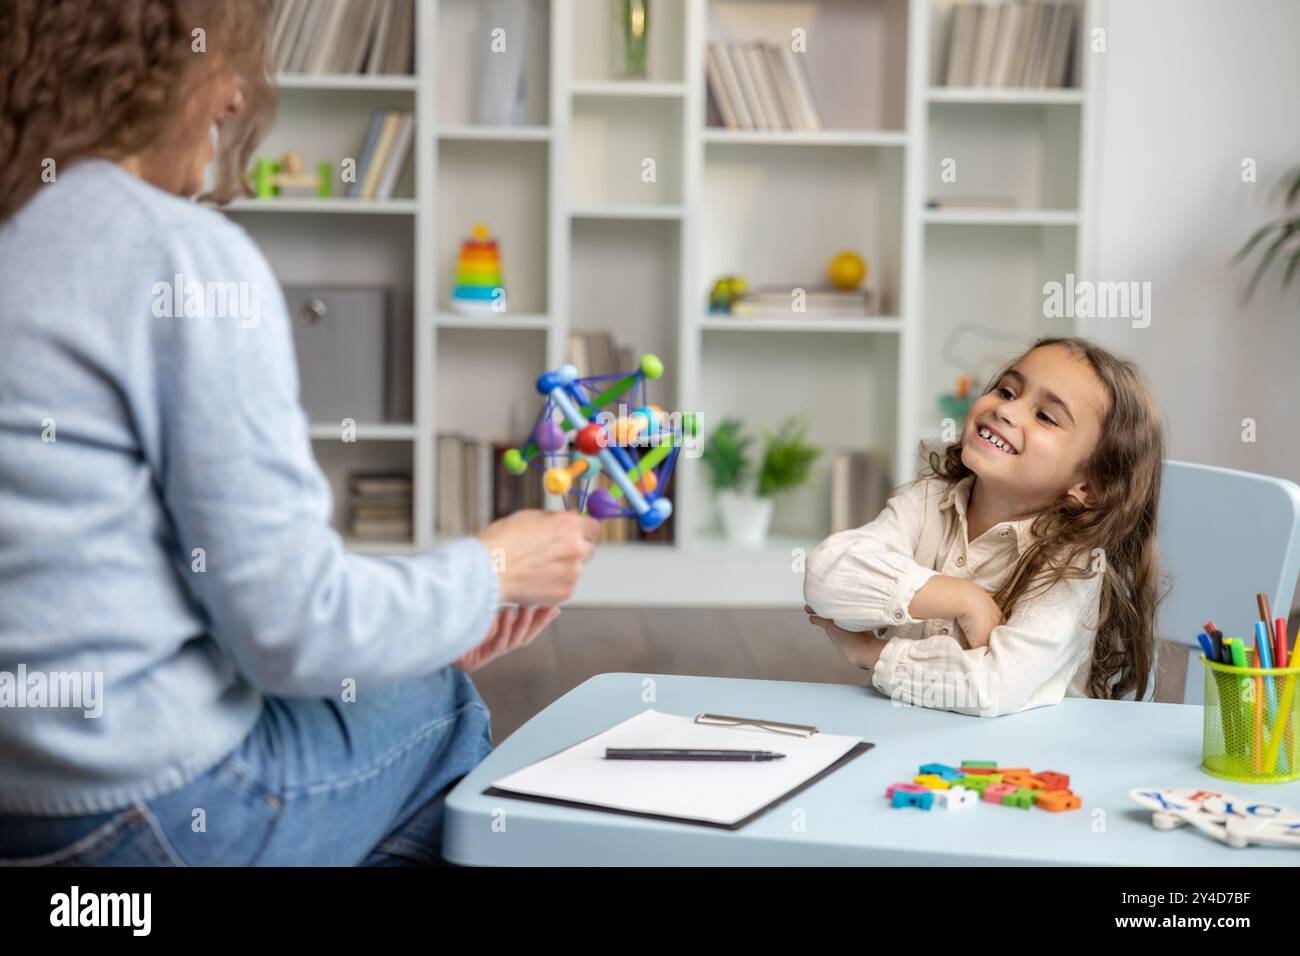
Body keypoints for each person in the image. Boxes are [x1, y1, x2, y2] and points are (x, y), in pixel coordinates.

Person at [0, 0, 596, 865]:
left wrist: (421, 620)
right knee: (441, 712)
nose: (237, 100)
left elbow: (106, 574)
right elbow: (292, 631)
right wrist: (494, 567)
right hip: (133, 809)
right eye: (224, 63)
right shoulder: (180, 255)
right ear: (156, 69)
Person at [804, 337, 1166, 716]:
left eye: (1045, 416)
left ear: (1089, 487)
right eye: (1007, 391)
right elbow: (826, 574)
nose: (1006, 411)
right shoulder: (925, 502)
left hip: (1020, 766)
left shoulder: (1072, 568)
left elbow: (990, 687)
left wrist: (870, 654)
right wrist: (962, 598)